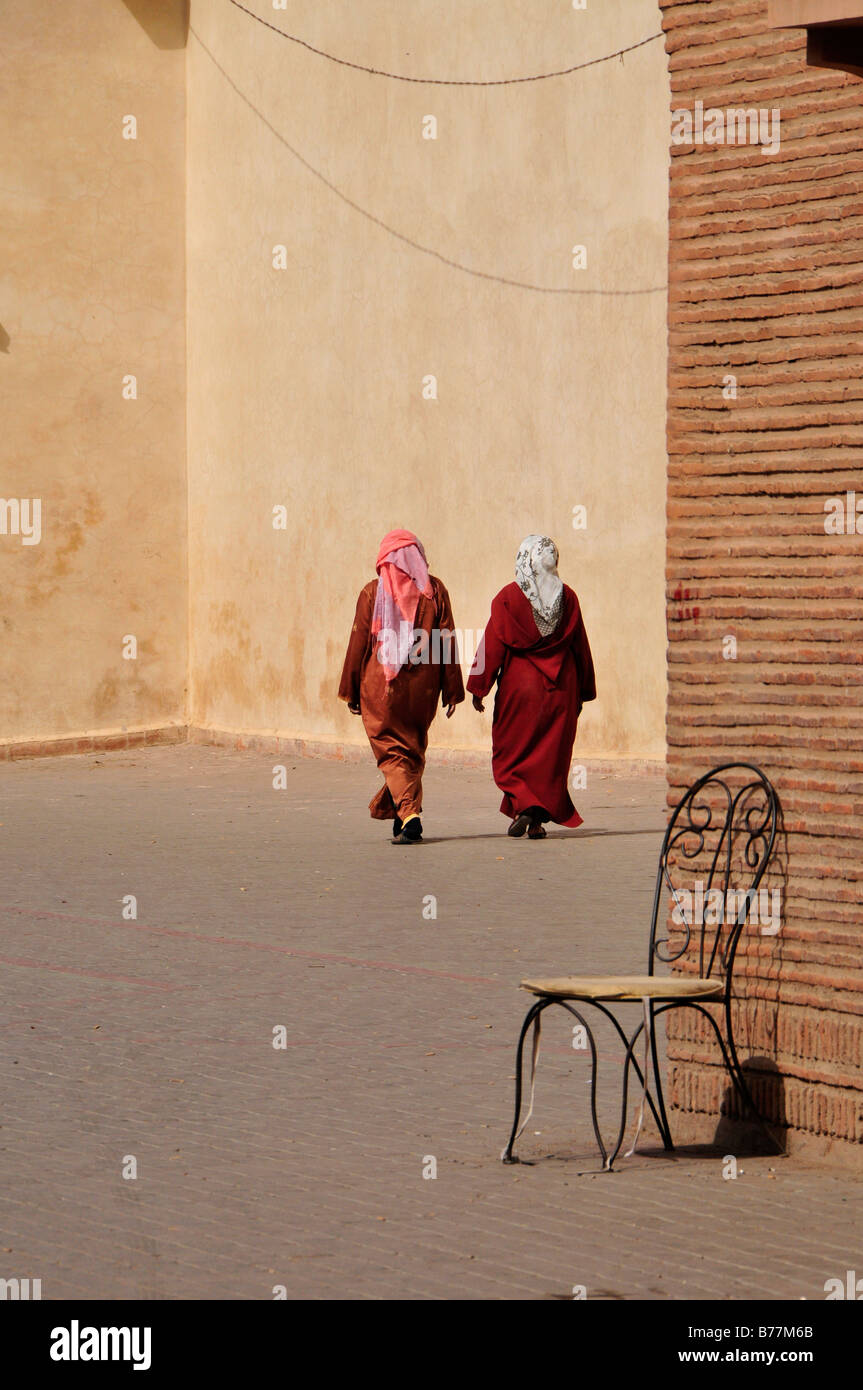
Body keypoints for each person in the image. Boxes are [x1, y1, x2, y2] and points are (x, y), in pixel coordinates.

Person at [339, 529, 464, 843]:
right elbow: (446, 640)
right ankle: (401, 810)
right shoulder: (435, 590)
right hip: (424, 689)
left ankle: (410, 817)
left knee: (391, 751)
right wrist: (451, 689)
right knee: (412, 747)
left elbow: (359, 643)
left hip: (382, 687)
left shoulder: (372, 592)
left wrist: (350, 689)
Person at [467, 535, 595, 838]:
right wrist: (584, 690)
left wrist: (478, 686)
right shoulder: (569, 598)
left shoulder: (508, 598)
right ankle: (536, 821)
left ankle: (527, 809)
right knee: (548, 757)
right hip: (561, 688)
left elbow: (492, 645)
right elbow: (581, 647)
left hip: (519, 690)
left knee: (512, 753)